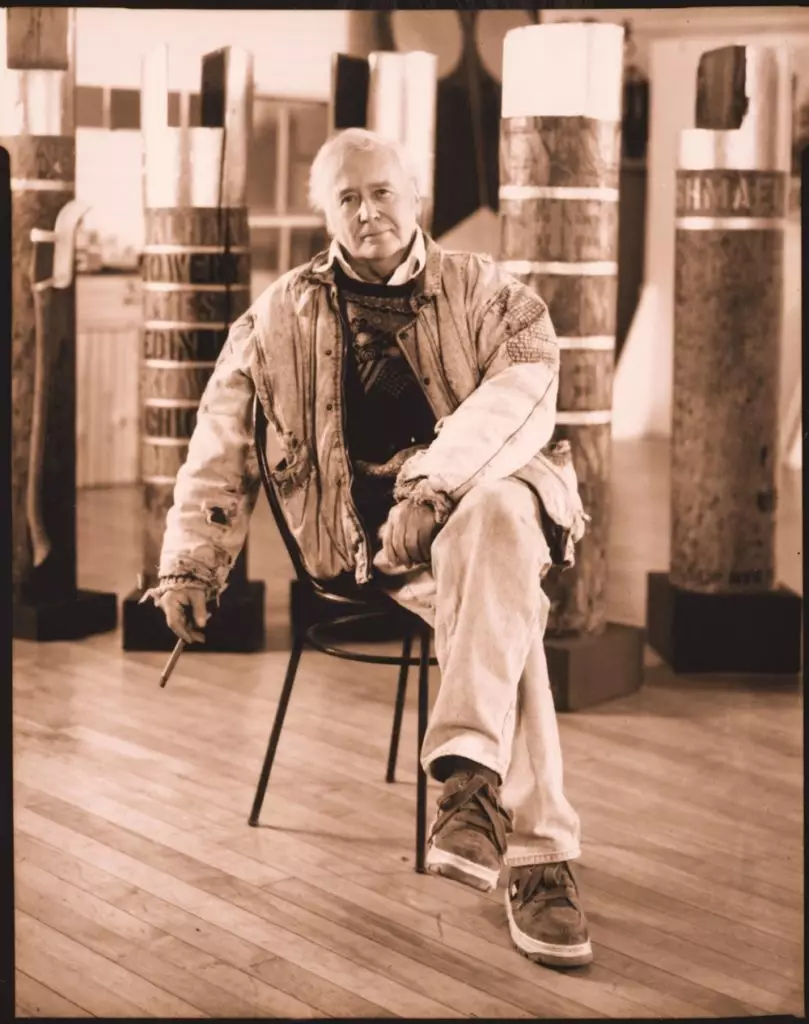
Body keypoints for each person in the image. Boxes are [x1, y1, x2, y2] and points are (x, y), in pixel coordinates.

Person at [145, 127, 593, 969]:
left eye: (381, 191)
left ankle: (473, 793)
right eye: (347, 198)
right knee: (509, 610)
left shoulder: (487, 290)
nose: (367, 211)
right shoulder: (274, 314)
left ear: (414, 196)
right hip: (356, 547)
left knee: (496, 520)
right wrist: (191, 561)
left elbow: (528, 385)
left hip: (469, 519)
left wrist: (433, 487)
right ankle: (534, 851)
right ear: (326, 213)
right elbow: (219, 440)